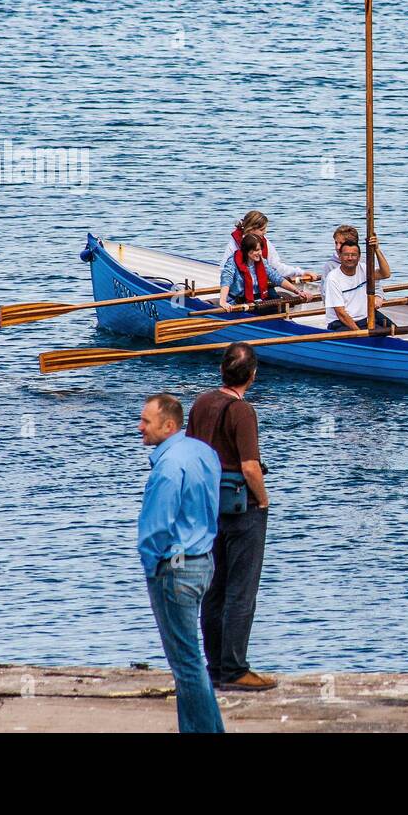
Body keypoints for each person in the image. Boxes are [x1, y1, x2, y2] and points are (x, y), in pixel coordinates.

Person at [186, 344, 276, 692]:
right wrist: (264, 501)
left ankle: (215, 665)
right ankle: (235, 668)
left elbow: (192, 452)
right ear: (252, 376)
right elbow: (250, 467)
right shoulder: (242, 411)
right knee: (242, 590)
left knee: (214, 589)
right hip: (241, 508)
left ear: (222, 371)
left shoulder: (201, 403)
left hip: (207, 506)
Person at [137, 392, 225, 733]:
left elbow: (157, 526)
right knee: (191, 662)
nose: (139, 427)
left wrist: (151, 566)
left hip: (175, 568)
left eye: (146, 421)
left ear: (169, 425)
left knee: (186, 664)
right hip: (203, 560)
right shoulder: (204, 452)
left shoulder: (169, 467)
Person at [220, 233, 316, 310]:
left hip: (257, 301)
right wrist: (223, 301)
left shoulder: (262, 261)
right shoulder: (232, 262)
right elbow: (226, 280)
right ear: (247, 251)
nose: (260, 253)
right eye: (257, 250)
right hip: (238, 302)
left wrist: (298, 292)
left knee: (280, 308)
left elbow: (276, 278)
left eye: (261, 249)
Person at [219, 210, 318, 283]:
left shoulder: (265, 242)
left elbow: (277, 267)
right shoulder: (233, 245)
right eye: (262, 229)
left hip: (261, 288)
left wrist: (301, 272)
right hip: (240, 290)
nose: (265, 232)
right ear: (251, 230)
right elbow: (225, 272)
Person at [325, 236, 392, 331]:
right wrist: (360, 333)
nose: (350, 258)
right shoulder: (333, 278)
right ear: (340, 256)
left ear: (359, 257)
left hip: (364, 319)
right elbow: (341, 314)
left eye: (353, 255)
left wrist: (376, 249)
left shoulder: (364, 268)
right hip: (339, 323)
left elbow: (386, 274)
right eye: (346, 255)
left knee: (395, 331)